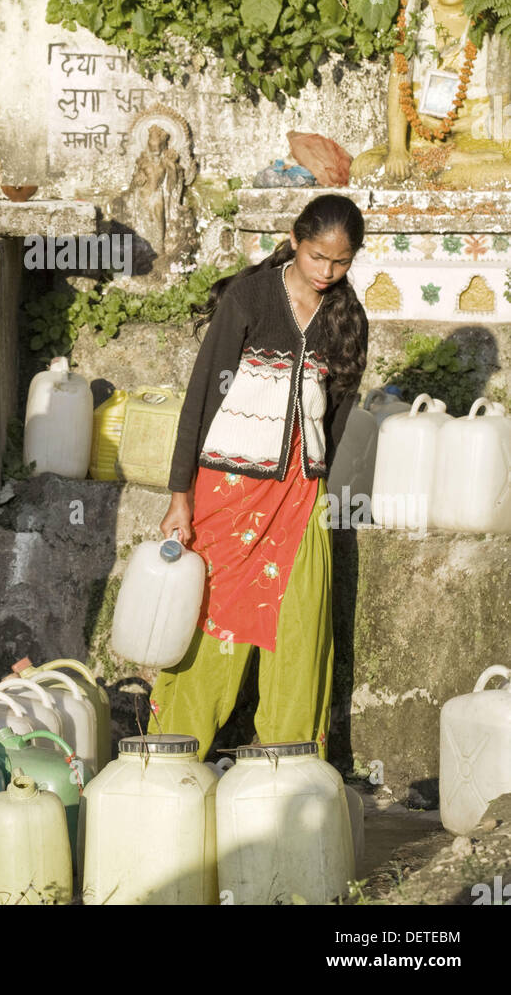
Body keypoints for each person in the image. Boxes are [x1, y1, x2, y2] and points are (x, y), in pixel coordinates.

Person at [149, 193, 369, 761]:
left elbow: (338, 418)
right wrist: (181, 495)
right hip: (227, 493)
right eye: (318, 256)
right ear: (295, 240)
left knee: (300, 632)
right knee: (213, 630)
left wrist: (322, 487)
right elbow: (201, 397)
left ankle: (287, 776)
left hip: (301, 498)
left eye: (340, 262)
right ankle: (169, 765)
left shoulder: (347, 319)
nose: (327, 272)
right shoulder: (249, 297)